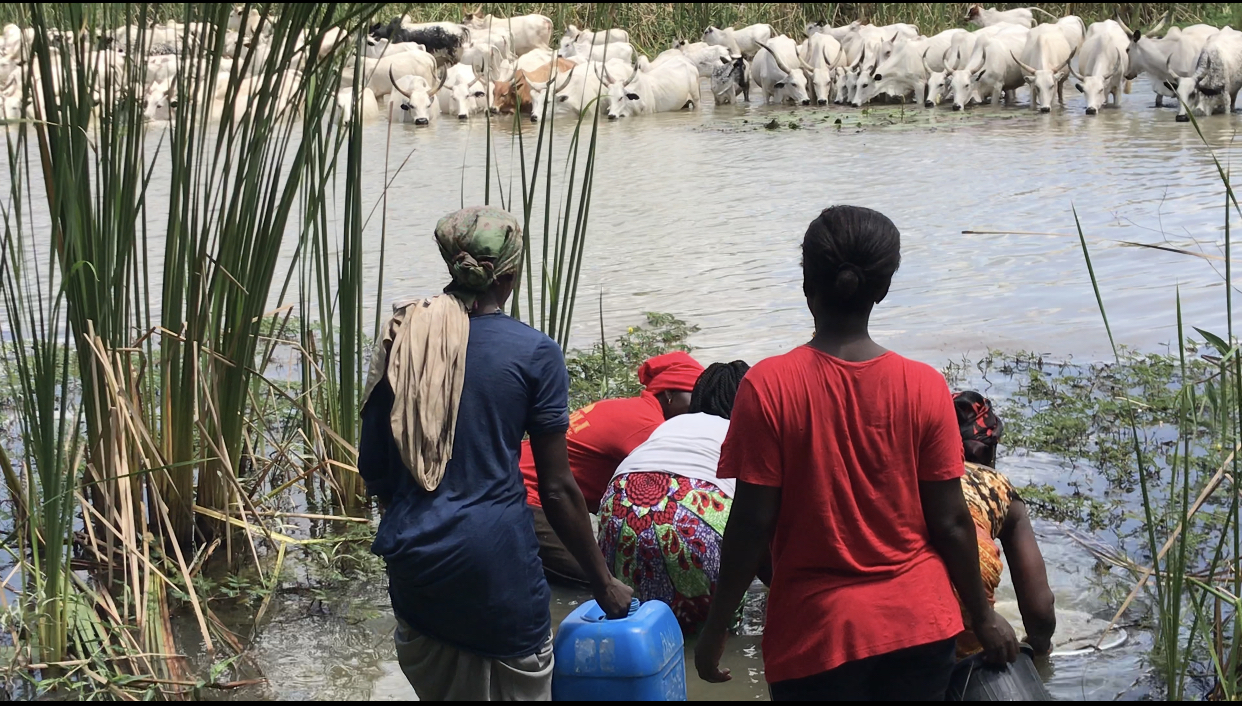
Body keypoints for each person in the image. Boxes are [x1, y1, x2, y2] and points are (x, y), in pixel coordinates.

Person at [694, 205, 1019, 701]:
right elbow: (951, 523)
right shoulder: (925, 386)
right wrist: (982, 616)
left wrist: (716, 627)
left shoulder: (768, 386)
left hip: (817, 637)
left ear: (807, 284)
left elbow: (752, 523)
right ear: (883, 289)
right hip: (919, 629)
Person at [358, 206, 632, 701]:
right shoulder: (533, 352)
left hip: (416, 570)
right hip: (497, 573)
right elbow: (555, 487)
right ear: (509, 274)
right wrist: (604, 583)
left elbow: (374, 468)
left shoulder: (404, 340)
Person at [517, 352, 705, 585]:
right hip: (530, 497)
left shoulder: (629, 408)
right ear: (669, 394)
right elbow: (684, 494)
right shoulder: (649, 427)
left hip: (530, 487)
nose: (699, 408)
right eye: (695, 398)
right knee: (599, 583)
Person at [597, 360, 750, 631]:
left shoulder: (668, 426)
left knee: (639, 620)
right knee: (713, 626)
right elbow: (760, 520)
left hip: (618, 506)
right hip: (694, 510)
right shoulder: (741, 430)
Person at [952, 391, 1057, 658]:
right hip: (968, 584)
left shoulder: (908, 477)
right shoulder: (996, 486)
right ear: (989, 449)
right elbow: (1040, 609)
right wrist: (1040, 650)